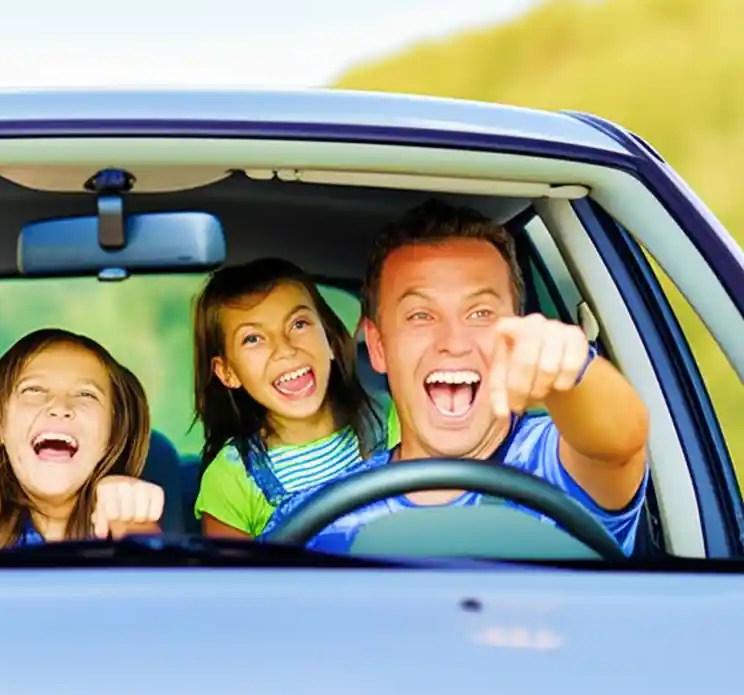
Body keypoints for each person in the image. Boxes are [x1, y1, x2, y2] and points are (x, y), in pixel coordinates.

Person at [261, 200, 650, 555]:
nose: (454, 342)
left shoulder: (550, 461)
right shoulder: (310, 517)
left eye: (480, 313)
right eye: (420, 316)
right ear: (378, 347)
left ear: (516, 333)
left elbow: (619, 444)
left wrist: (574, 370)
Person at [191, 258, 386, 539]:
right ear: (228, 372)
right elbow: (233, 581)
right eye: (253, 339)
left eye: (299, 324)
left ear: (329, 340)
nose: (284, 349)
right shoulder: (229, 478)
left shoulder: (393, 419)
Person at [0, 328, 164, 552]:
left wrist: (133, 522)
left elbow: (158, 583)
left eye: (86, 394)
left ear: (113, 434)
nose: (60, 407)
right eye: (34, 390)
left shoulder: (124, 522)